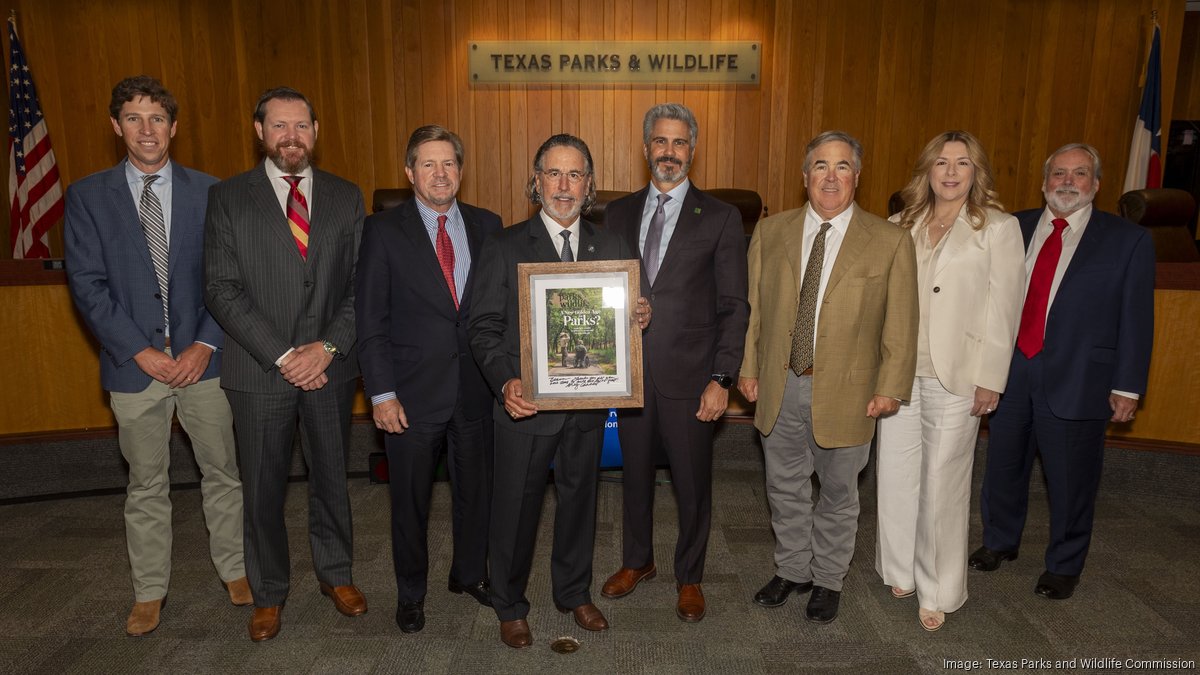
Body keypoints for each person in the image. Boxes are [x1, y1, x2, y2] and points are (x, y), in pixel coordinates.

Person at [64, 75, 249, 637]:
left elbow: (229, 279)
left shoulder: (213, 192)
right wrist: (140, 350)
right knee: (146, 483)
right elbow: (88, 285)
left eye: (157, 119)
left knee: (223, 472)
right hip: (132, 365)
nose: (147, 130)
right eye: (134, 118)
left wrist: (205, 342)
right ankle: (149, 591)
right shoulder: (87, 196)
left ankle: (237, 571)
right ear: (115, 125)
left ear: (174, 126)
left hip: (205, 361)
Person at [467, 133, 651, 649]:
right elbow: (482, 327)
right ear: (536, 181)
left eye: (575, 175)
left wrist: (640, 315)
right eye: (553, 173)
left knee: (580, 501)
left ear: (589, 184)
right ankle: (509, 602)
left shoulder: (611, 246)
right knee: (515, 506)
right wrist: (506, 381)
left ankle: (573, 593)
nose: (564, 186)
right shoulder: (504, 246)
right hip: (524, 406)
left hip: (587, 406)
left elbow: (631, 315)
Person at [204, 86, 366, 641]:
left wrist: (328, 347)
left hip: (331, 366)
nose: (291, 136)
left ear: (316, 132)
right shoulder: (227, 198)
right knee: (263, 486)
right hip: (259, 370)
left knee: (332, 479)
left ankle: (336, 575)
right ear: (260, 132)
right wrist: (283, 354)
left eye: (301, 125)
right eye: (279, 126)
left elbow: (361, 286)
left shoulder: (347, 197)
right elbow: (221, 290)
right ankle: (268, 592)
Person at [738, 131, 917, 624]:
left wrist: (890, 388)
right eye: (821, 166)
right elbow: (754, 310)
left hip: (850, 392)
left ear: (857, 177)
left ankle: (828, 579)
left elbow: (902, 323)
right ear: (805, 177)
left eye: (842, 167)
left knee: (839, 493)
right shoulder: (772, 232)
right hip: (780, 384)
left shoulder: (889, 240)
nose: (831, 176)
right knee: (785, 486)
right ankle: (793, 569)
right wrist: (748, 369)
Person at [970, 143, 1155, 601]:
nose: (1067, 182)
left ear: (1095, 184)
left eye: (1079, 173)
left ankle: (1064, 565)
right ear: (1043, 181)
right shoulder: (1014, 226)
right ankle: (999, 541)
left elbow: (1136, 318)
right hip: (1010, 370)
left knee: (1071, 480)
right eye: (1058, 173)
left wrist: (1127, 385)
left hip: (1080, 378)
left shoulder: (1127, 239)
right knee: (1002, 467)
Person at [600, 103, 749, 622]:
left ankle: (690, 576)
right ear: (646, 149)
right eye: (660, 142)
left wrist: (721, 379)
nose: (669, 152)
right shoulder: (615, 213)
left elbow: (734, 305)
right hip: (630, 376)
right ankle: (637, 561)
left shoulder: (723, 217)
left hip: (692, 378)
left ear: (693, 149)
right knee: (633, 476)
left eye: (680, 143)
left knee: (691, 483)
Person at [874, 131, 1025, 631]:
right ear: (927, 170)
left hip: (958, 375)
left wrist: (991, 380)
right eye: (942, 162)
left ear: (976, 171)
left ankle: (939, 587)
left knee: (943, 483)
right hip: (898, 373)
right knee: (895, 477)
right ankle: (899, 568)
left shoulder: (998, 229)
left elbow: (1005, 311)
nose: (952, 171)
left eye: (963, 163)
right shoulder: (899, 223)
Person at [355, 125, 501, 633]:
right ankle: (411, 592)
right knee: (410, 502)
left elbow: (500, 309)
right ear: (409, 171)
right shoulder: (382, 230)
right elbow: (369, 320)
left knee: (476, 494)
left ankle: (469, 574)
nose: (440, 174)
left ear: (461, 170)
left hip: (476, 390)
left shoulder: (489, 225)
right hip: (410, 395)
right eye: (428, 164)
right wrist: (381, 392)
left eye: (449, 164)